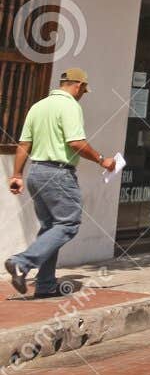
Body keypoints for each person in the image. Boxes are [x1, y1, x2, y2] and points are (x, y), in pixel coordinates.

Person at [6, 69, 117, 300]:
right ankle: (21, 262)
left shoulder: (38, 106)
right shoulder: (70, 106)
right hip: (58, 174)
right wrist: (102, 160)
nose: (83, 95)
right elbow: (76, 142)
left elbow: (24, 143)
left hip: (36, 172)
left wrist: (16, 174)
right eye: (84, 90)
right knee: (68, 224)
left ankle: (45, 284)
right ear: (77, 86)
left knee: (50, 228)